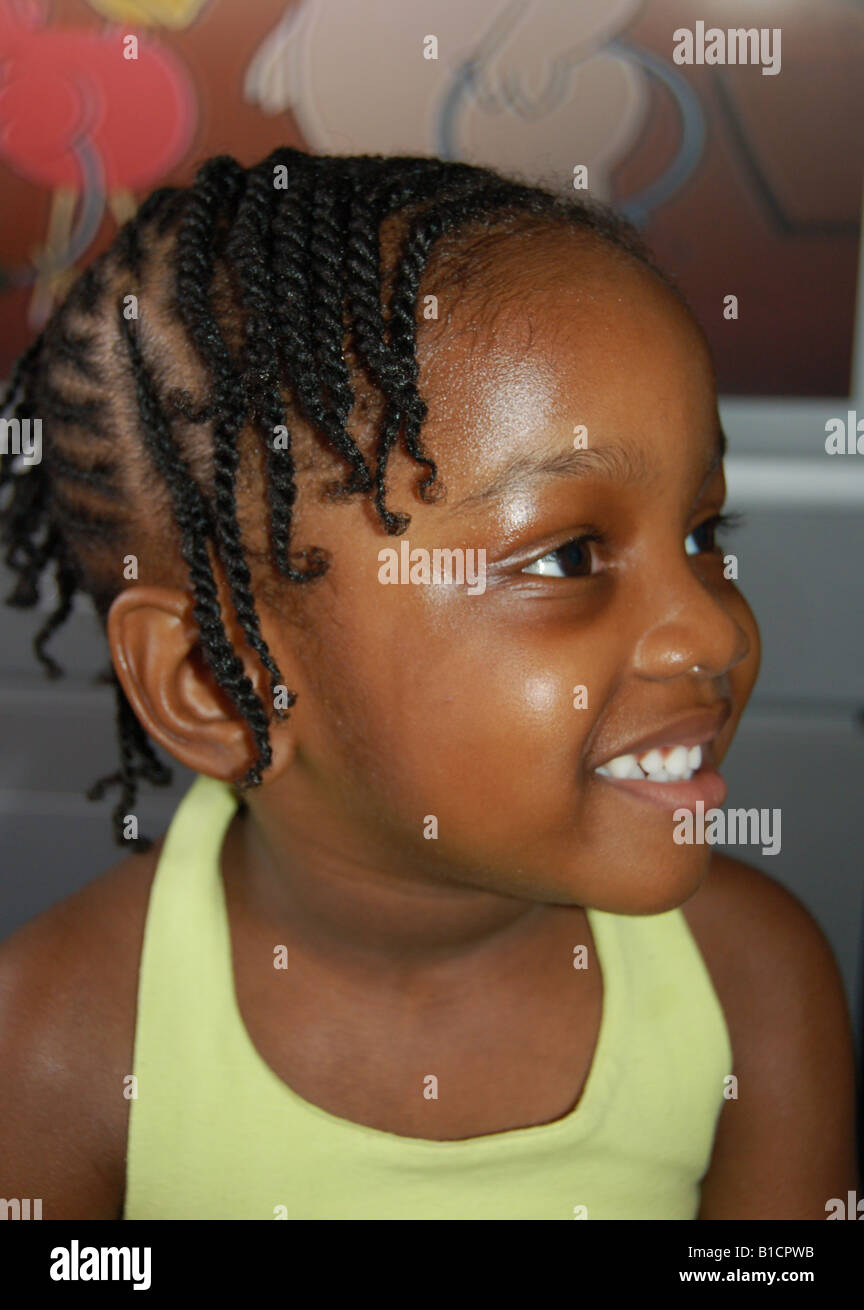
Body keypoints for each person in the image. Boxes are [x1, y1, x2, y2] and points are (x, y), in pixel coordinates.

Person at [0, 149, 856, 1219]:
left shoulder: (752, 986)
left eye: (703, 530)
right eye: (566, 558)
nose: (711, 628)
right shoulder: (57, 1052)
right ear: (219, 679)